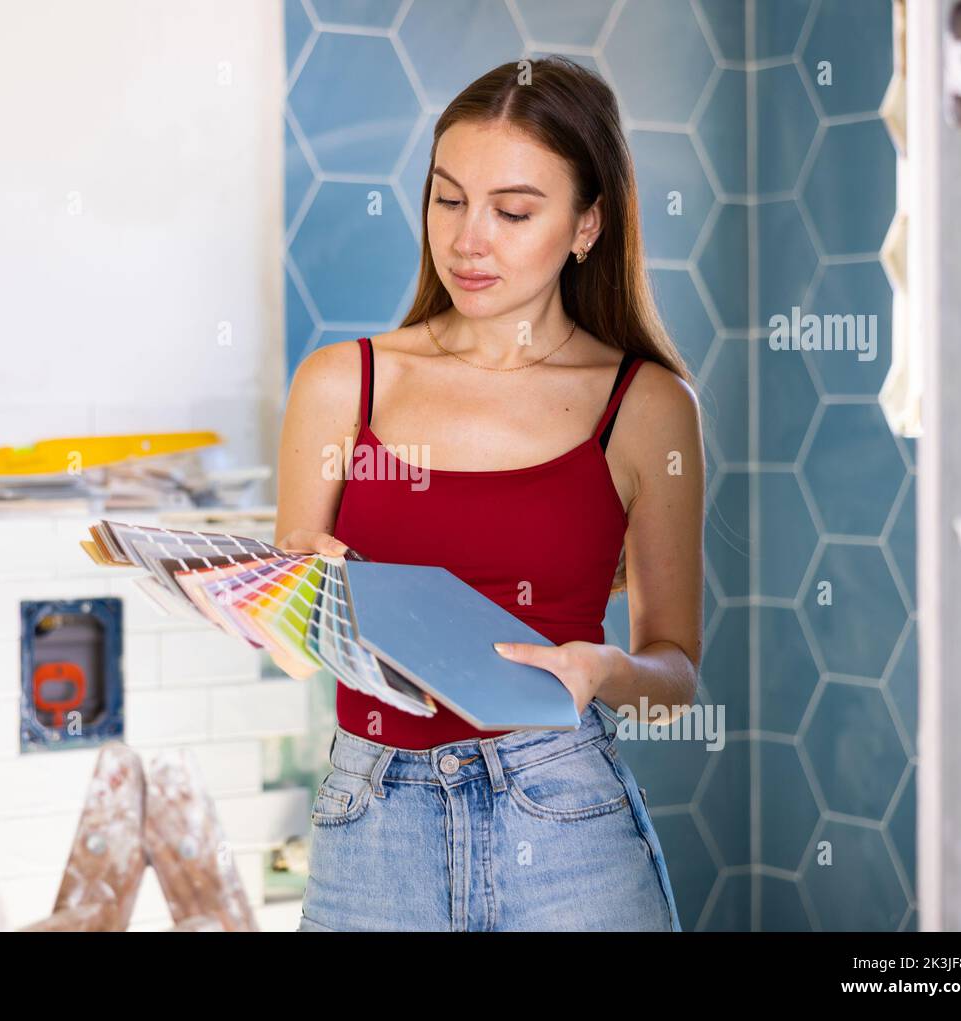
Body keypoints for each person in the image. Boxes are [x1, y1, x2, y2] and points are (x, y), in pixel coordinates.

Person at [275, 56, 703, 931]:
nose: (469, 239)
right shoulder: (340, 384)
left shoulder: (646, 405)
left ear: (587, 225)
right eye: (447, 198)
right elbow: (290, 652)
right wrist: (293, 599)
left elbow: (675, 679)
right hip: (372, 822)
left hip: (565, 811)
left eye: (513, 211)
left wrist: (601, 669)